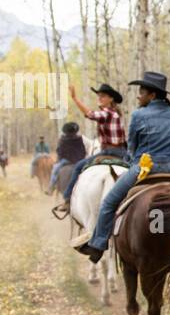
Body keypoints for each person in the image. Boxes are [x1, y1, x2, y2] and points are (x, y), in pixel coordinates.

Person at [71, 71, 170, 261]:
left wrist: (135, 162)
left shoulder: (138, 115)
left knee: (109, 203)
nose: (138, 95)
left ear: (152, 95)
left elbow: (132, 147)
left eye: (141, 92)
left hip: (145, 169)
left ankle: (98, 245)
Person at [53, 83, 128, 216]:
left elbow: (89, 114)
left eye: (103, 96)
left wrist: (75, 98)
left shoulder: (108, 113)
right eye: (99, 96)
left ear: (111, 99)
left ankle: (67, 200)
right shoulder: (116, 114)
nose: (99, 98)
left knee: (78, 167)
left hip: (109, 152)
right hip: (121, 152)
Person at [49, 121, 88, 192]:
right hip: (79, 161)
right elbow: (83, 151)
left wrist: (60, 158)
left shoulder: (62, 139)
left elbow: (59, 151)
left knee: (55, 169)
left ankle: (51, 187)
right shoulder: (79, 139)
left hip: (66, 161)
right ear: (75, 130)